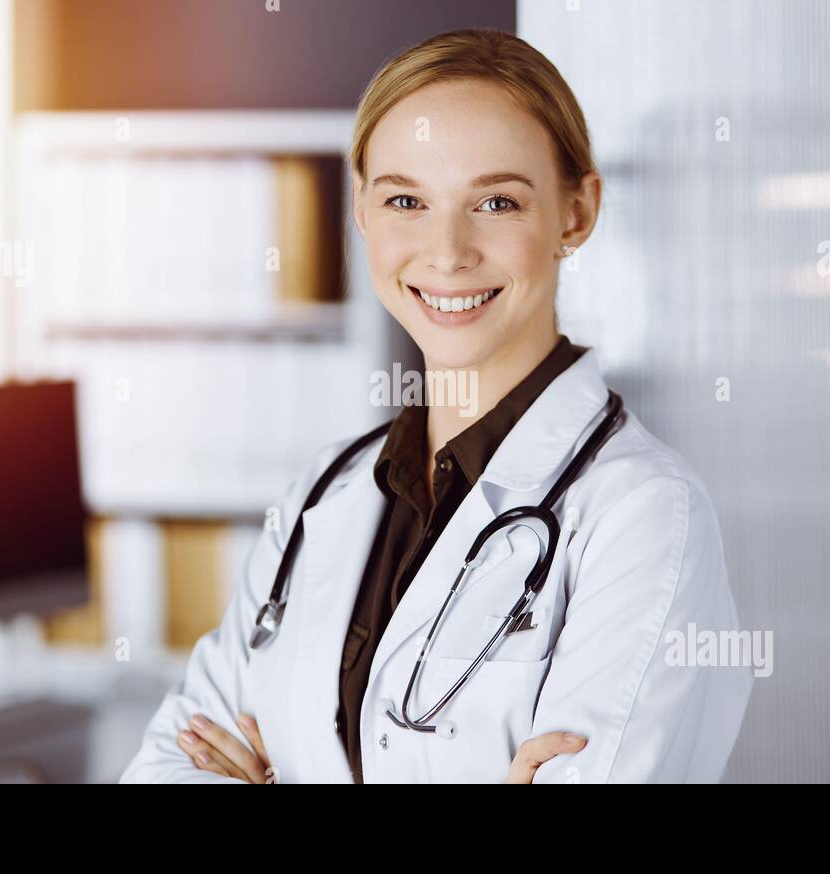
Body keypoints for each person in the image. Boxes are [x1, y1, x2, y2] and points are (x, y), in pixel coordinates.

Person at [120, 28, 751, 784]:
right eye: (406, 200)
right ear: (361, 210)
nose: (447, 251)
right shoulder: (326, 493)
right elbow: (166, 766)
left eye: (496, 201)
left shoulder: (643, 516)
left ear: (576, 214)